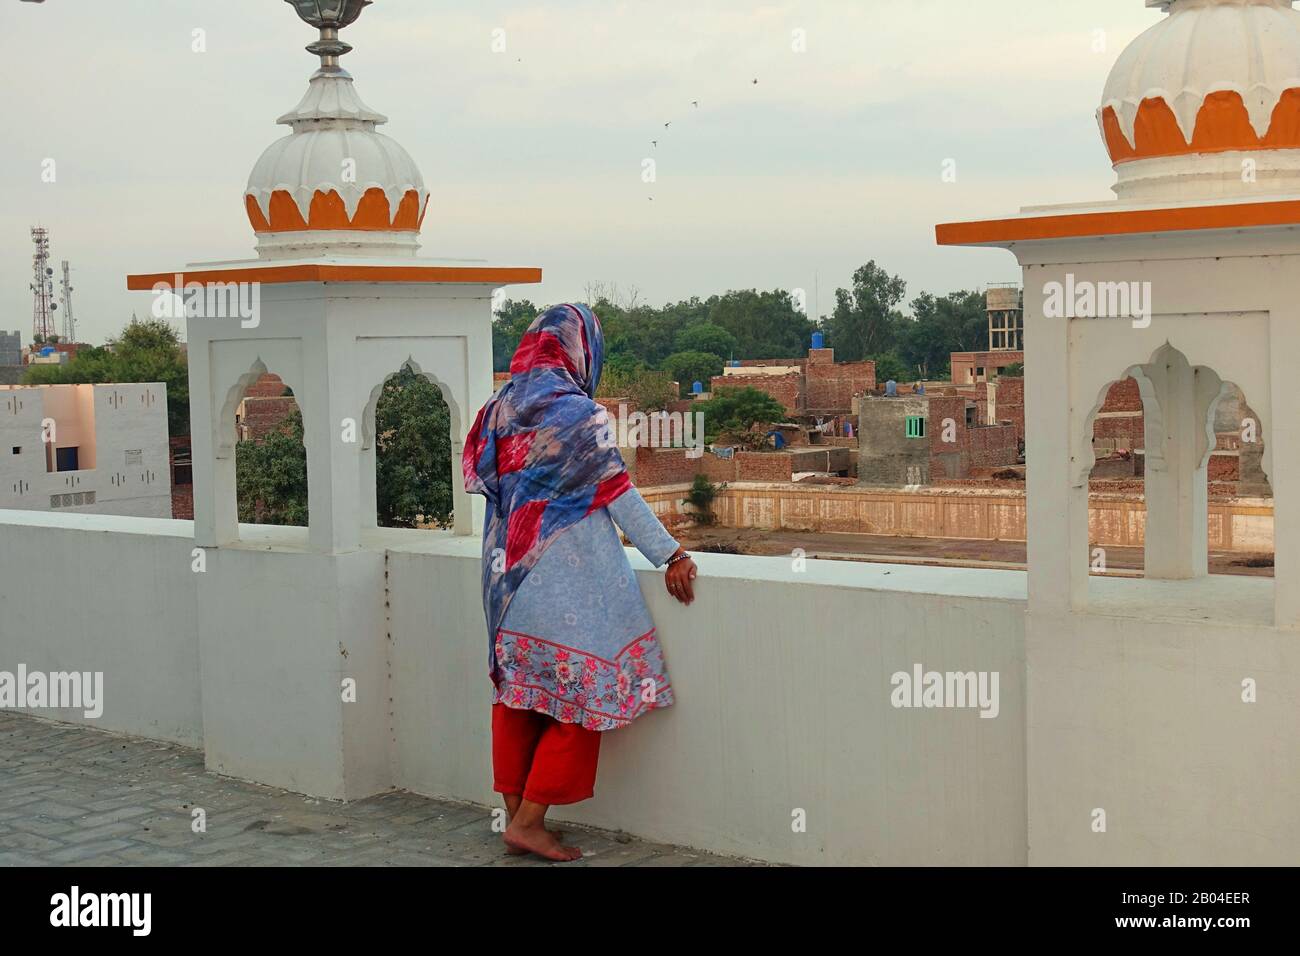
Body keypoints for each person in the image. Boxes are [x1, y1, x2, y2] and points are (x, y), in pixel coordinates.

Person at [463, 303, 698, 861]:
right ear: (579, 350)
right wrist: (671, 554)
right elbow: (618, 493)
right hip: (562, 583)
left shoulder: (499, 407)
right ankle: (529, 822)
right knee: (581, 697)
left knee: (519, 696)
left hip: (505, 581)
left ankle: (516, 813)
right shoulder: (577, 414)